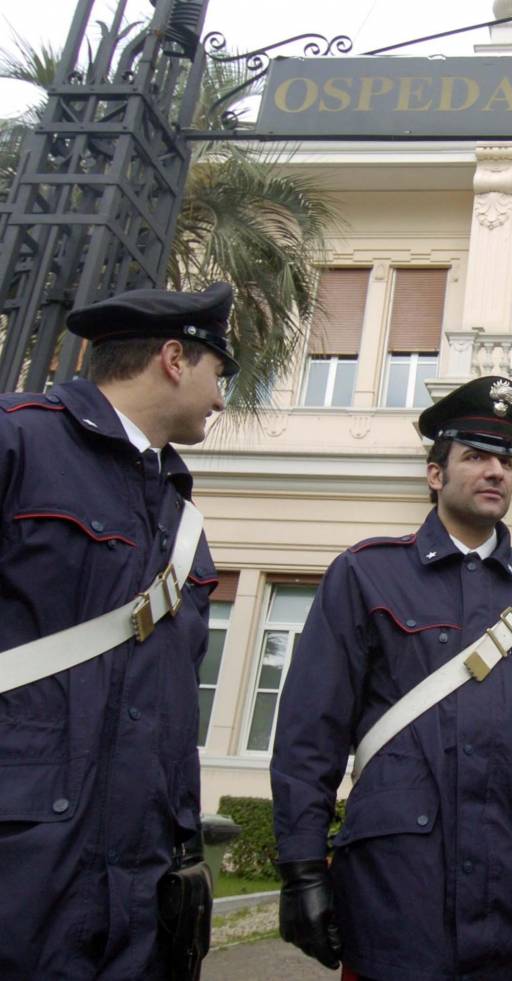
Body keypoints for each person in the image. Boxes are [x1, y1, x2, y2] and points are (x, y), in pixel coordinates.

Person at [270, 375, 512, 980]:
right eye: (475, 457)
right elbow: (311, 733)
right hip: (401, 901)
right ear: (435, 474)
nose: (495, 471)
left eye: (505, 460)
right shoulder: (366, 575)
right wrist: (303, 869)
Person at [0, 283, 236, 978]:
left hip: (136, 893)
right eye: (218, 373)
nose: (221, 398)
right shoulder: (18, 438)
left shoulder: (180, 518)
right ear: (173, 358)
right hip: (24, 874)